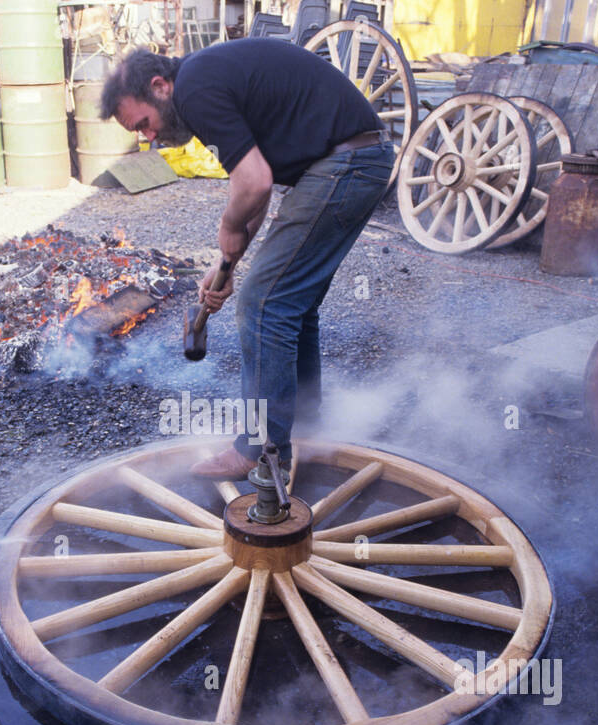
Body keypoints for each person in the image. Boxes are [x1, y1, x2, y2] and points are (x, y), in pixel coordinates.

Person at [100, 41, 395, 478]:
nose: (149, 137)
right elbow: (257, 185)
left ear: (160, 86)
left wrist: (229, 227)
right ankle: (306, 423)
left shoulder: (195, 89)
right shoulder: (207, 78)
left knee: (263, 304)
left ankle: (260, 448)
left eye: (144, 123)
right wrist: (225, 264)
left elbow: (254, 184)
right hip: (352, 159)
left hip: (346, 164)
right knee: (292, 300)